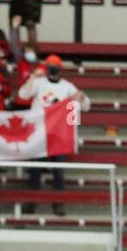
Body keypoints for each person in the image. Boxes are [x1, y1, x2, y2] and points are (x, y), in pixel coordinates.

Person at [16, 55, 90, 215]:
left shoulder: (68, 87)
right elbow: (23, 95)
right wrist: (32, 77)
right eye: (50, 66)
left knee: (58, 169)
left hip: (58, 135)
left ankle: (58, 202)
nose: (52, 70)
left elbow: (85, 105)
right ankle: (31, 201)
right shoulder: (38, 83)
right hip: (39, 133)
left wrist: (81, 96)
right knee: (34, 169)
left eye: (55, 67)